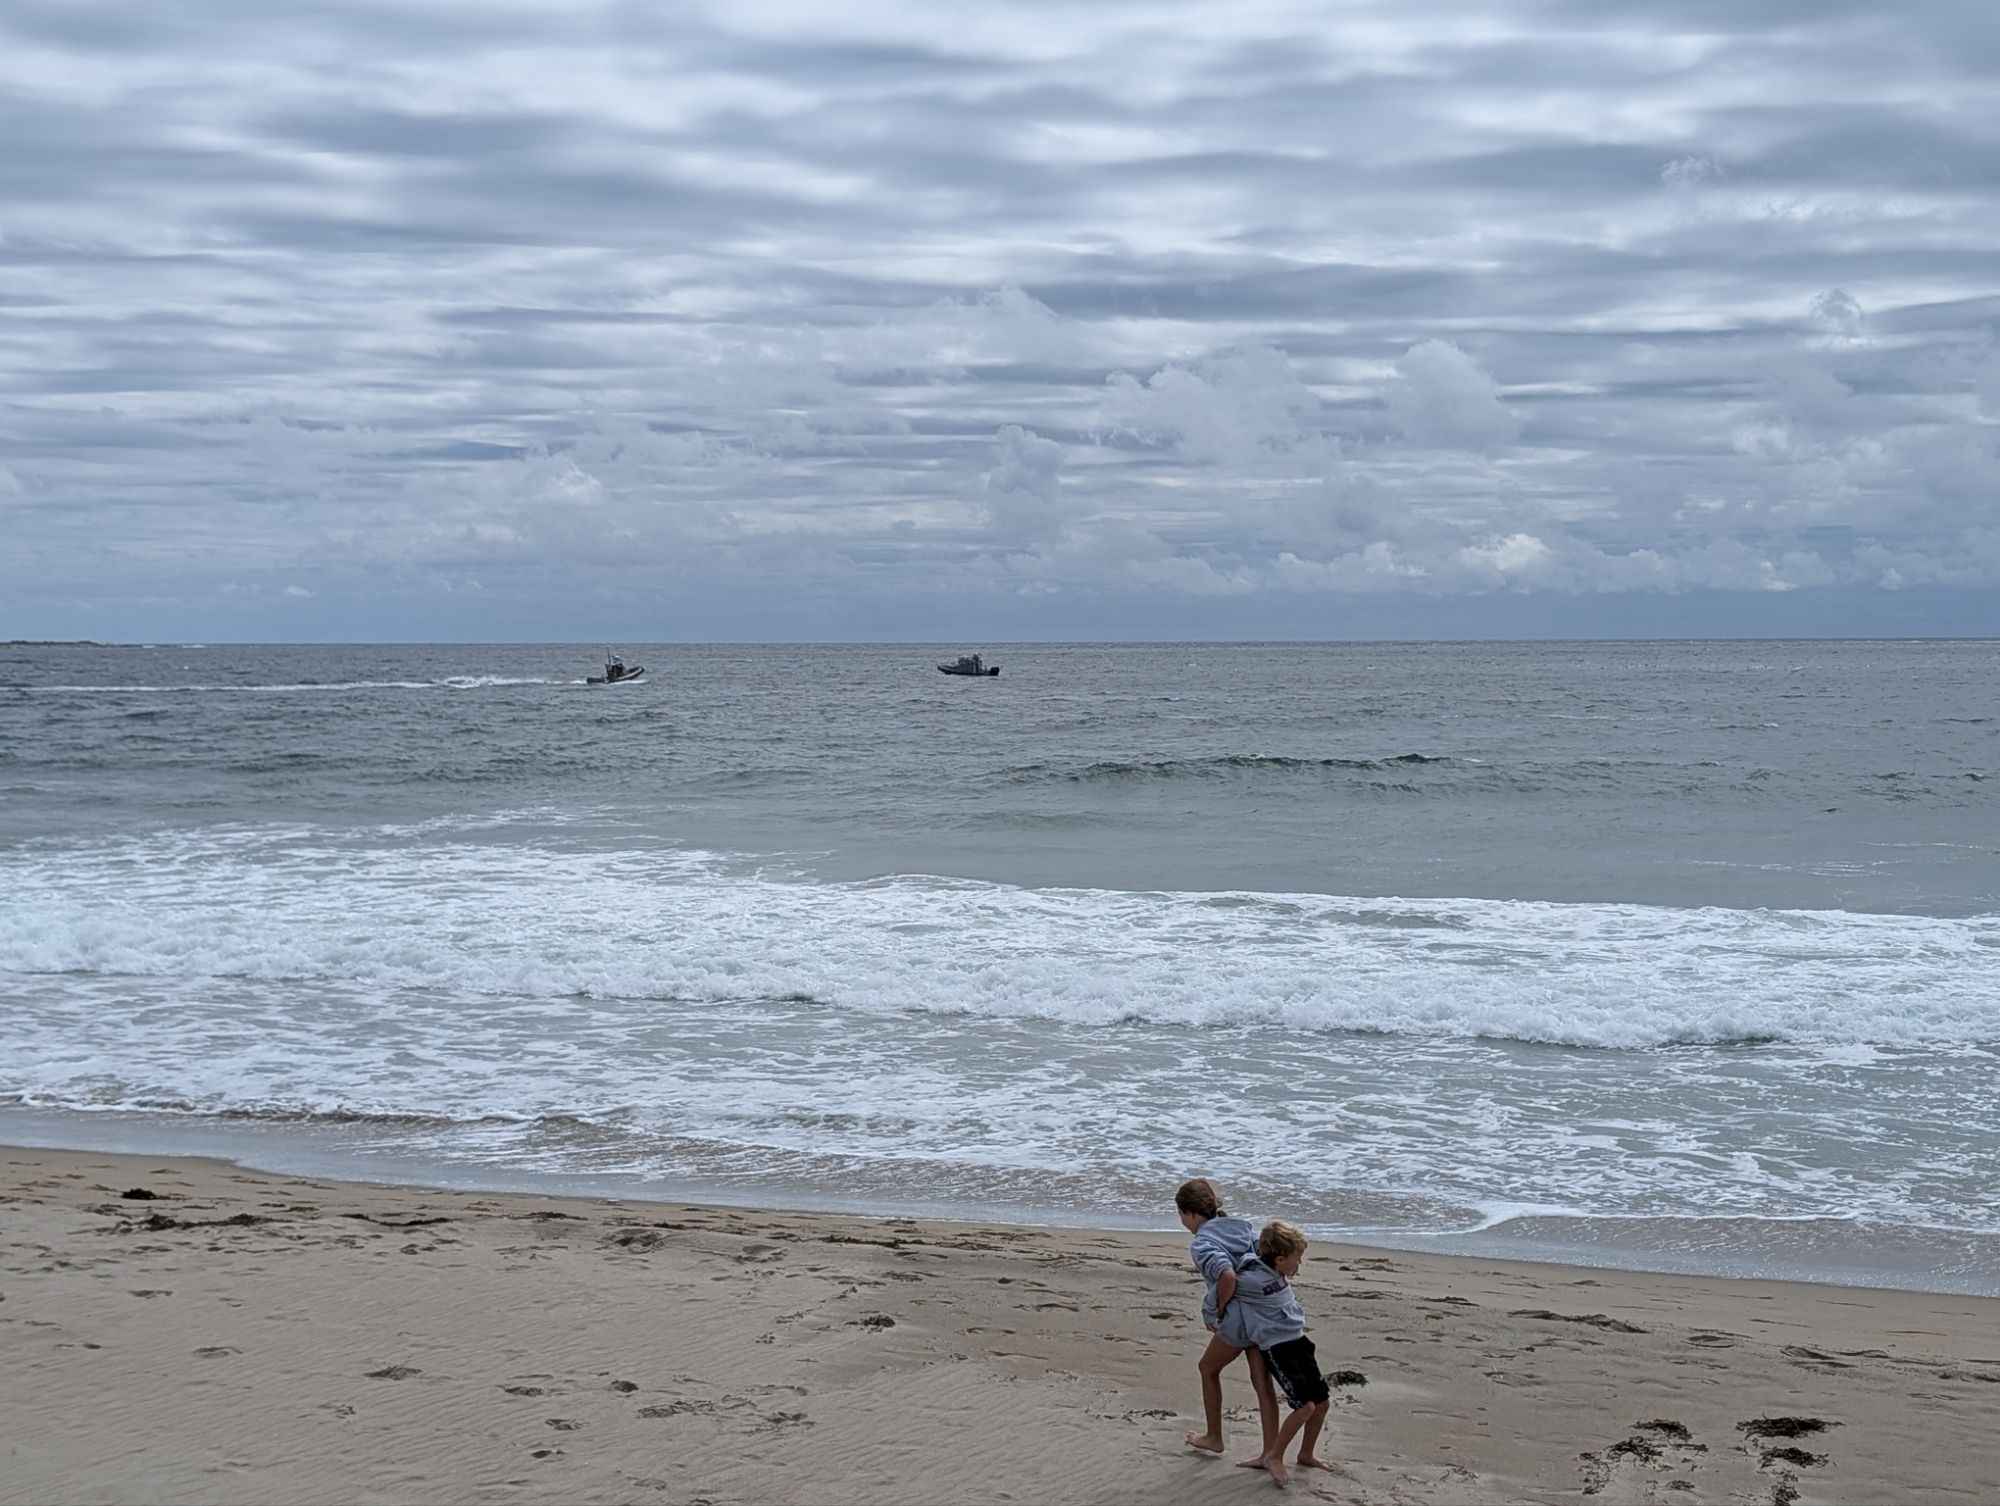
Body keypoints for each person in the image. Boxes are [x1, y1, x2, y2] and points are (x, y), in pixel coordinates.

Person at [1221, 1219, 1334, 1487]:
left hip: (1299, 1341)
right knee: (1305, 1406)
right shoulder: (1250, 1278)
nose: (1299, 1264)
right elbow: (1225, 1281)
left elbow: (1255, 1242)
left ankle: (1306, 1454)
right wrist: (1213, 1312)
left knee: (1322, 1403)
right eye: (1297, 1259)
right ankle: (1274, 1455)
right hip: (1278, 1349)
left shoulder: (1277, 1269)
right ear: (1280, 1259)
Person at [1174, 1178, 1279, 1462]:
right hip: (1261, 1315)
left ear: (1190, 1213)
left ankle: (1214, 1437)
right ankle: (1271, 1452)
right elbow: (1264, 1259)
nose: (1182, 1220)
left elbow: (1227, 1275)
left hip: (1238, 1320)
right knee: (1262, 1381)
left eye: (1181, 1214)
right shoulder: (1242, 1229)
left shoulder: (1202, 1244)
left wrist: (1214, 1310)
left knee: (1207, 1368)